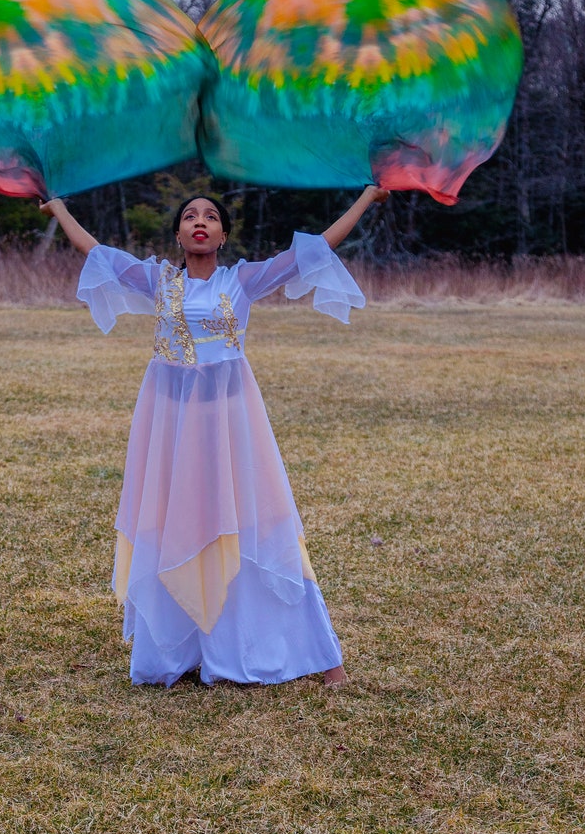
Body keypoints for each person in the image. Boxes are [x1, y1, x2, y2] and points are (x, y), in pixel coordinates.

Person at [41, 186, 389, 687]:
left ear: (224, 234)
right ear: (179, 234)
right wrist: (59, 209)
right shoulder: (159, 281)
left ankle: (315, 654)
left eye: (210, 217)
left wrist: (366, 198)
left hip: (230, 422)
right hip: (172, 423)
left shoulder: (242, 282)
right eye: (189, 216)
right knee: (175, 517)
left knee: (253, 518)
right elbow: (97, 254)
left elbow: (313, 250)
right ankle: (183, 647)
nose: (199, 222)